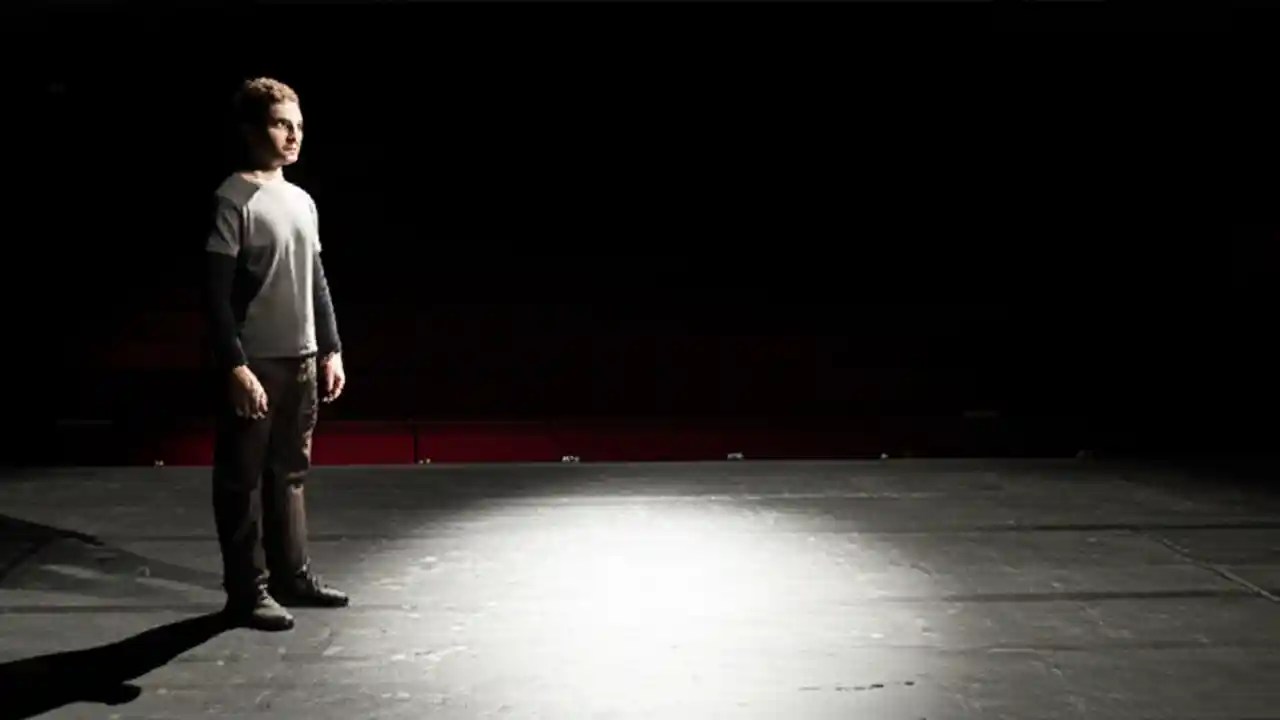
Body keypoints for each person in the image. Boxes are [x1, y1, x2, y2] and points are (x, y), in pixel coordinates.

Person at [203, 76, 349, 631]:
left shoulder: (302, 200)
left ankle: (293, 576)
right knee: (240, 478)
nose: (294, 136)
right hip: (256, 362)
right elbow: (215, 293)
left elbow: (316, 280)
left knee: (290, 473)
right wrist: (234, 365)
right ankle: (247, 591)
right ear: (252, 129)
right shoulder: (232, 197)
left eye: (299, 126)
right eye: (281, 124)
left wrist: (330, 348)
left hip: (303, 359)